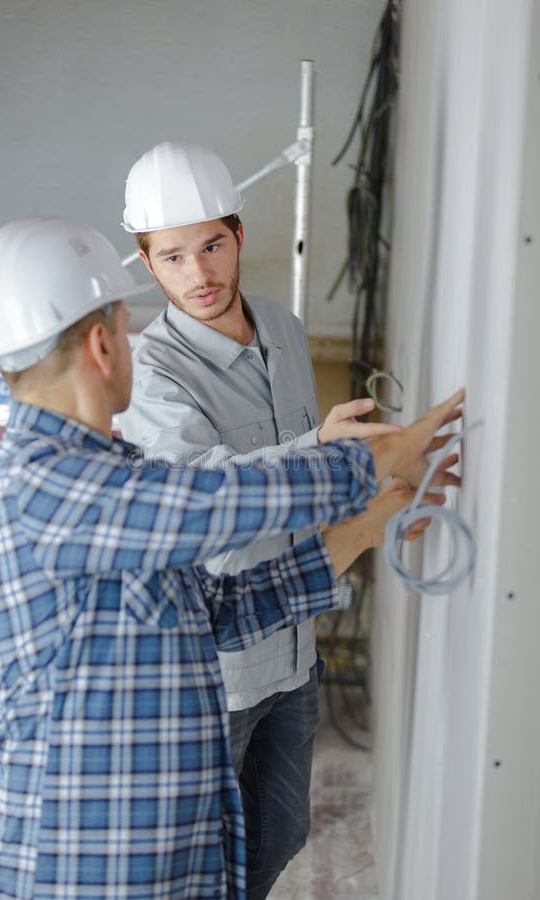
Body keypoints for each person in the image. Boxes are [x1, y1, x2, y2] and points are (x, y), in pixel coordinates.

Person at [0, 215, 461, 900]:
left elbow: (210, 611)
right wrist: (366, 461)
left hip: (157, 860)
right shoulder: (41, 488)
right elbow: (211, 502)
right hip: (84, 871)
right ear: (105, 344)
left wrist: (362, 529)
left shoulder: (100, 480)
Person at [118, 141, 458, 897]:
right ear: (147, 265)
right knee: (198, 862)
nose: (199, 274)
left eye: (211, 245)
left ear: (239, 235)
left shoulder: (282, 329)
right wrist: (327, 452)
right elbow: (206, 498)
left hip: (294, 643)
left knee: (281, 831)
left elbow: (315, 487)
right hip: (219, 664)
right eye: (172, 257)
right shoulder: (155, 372)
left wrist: (393, 485)